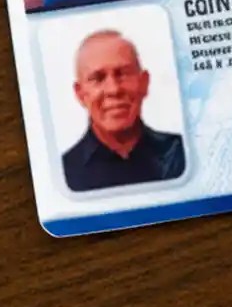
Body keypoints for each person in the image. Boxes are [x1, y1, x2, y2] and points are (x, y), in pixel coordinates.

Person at [61, 30, 185, 192]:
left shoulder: (181, 154)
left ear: (144, 82)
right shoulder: (63, 176)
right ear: (80, 94)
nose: (113, 89)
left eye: (123, 74)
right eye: (98, 78)